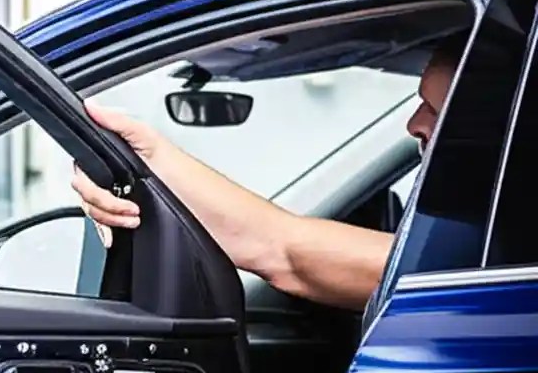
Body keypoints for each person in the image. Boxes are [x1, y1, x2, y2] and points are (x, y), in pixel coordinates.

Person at [72, 34, 466, 311]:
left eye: (436, 110)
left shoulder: (497, 264)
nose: (413, 124)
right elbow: (277, 246)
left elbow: (280, 249)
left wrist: (152, 159)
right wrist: (146, 161)